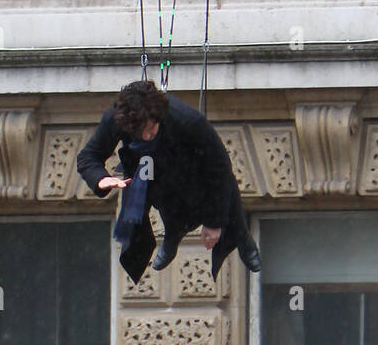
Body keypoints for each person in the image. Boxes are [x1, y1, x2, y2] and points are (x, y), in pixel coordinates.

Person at [77, 80, 262, 283]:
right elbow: (87, 157)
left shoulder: (187, 120)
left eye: (152, 128)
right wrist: (101, 178)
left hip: (195, 172)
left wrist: (214, 223)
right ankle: (173, 234)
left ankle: (243, 237)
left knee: (226, 192)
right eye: (141, 132)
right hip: (156, 176)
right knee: (162, 198)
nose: (147, 135)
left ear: (159, 117)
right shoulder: (115, 120)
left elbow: (220, 169)